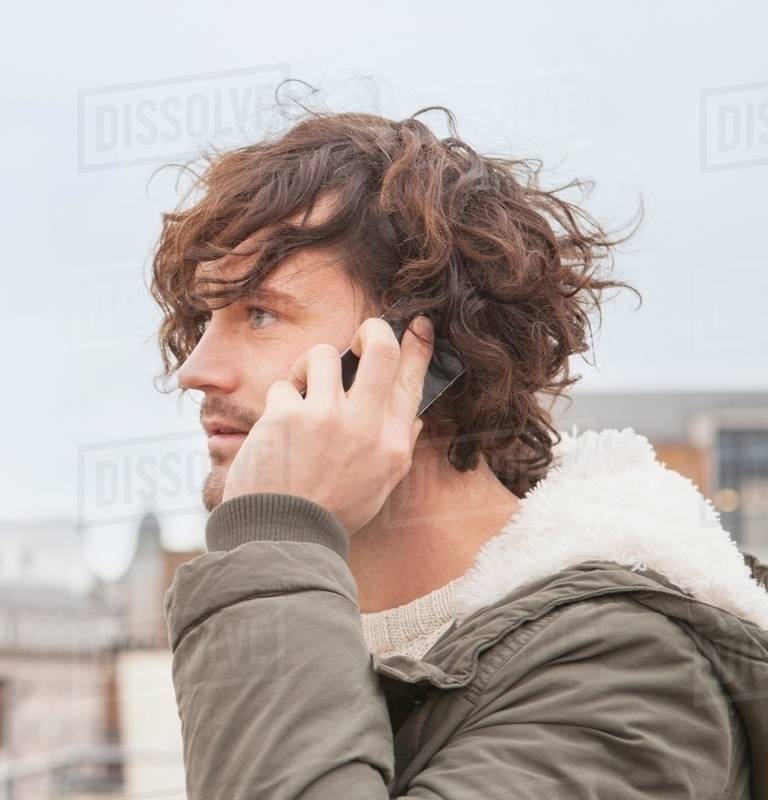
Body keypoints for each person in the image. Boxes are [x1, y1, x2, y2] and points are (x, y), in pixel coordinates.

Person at [150, 104, 768, 798]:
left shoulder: (632, 673)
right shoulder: (302, 620)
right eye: (205, 320)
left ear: (427, 355)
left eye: (259, 314)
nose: (196, 369)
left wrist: (275, 530)